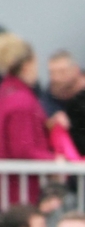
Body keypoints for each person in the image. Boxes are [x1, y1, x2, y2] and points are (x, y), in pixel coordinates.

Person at [0, 36, 55, 176]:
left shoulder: (6, 93)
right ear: (27, 66)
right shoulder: (22, 101)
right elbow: (23, 150)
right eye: (36, 64)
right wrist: (55, 162)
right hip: (21, 184)